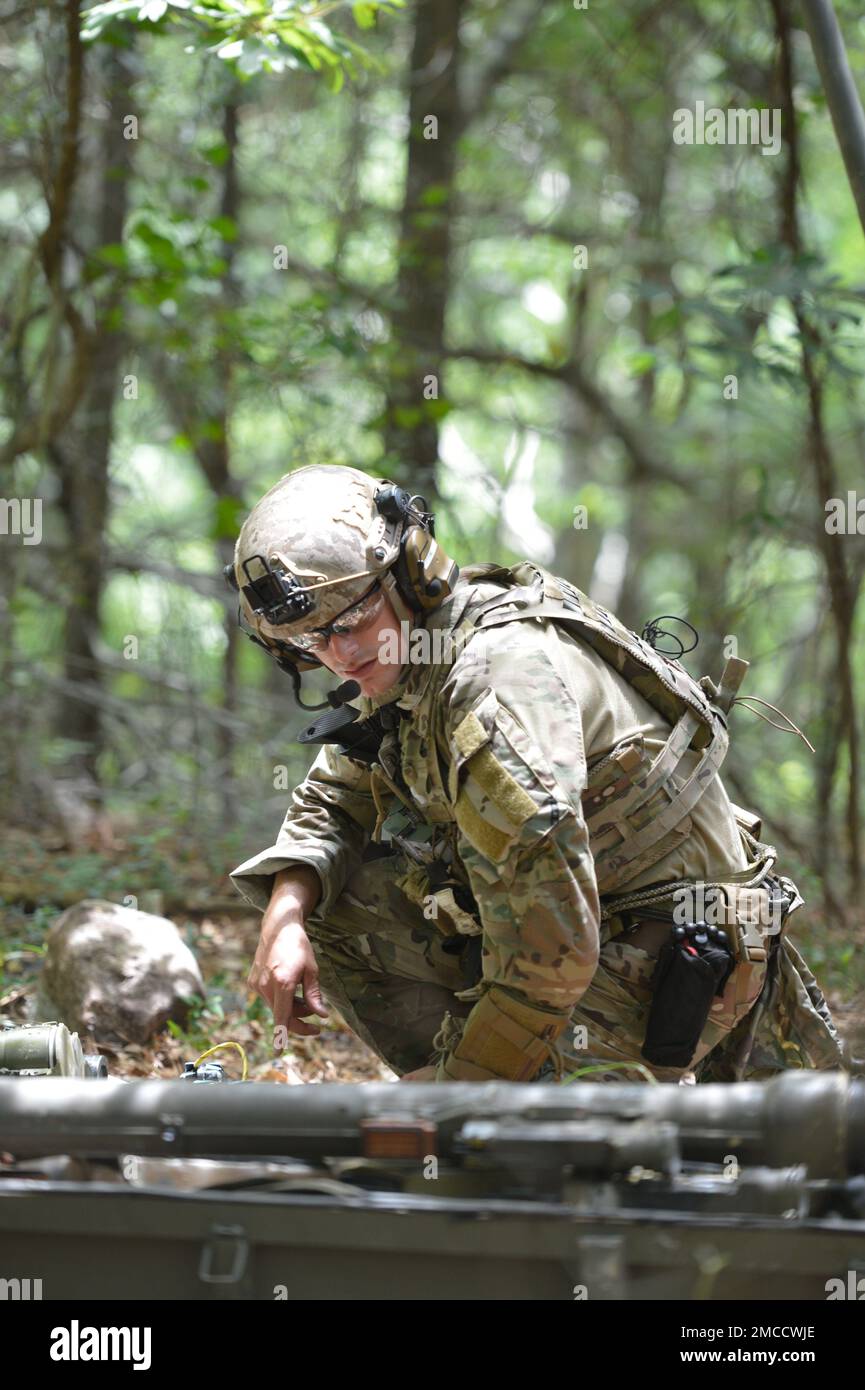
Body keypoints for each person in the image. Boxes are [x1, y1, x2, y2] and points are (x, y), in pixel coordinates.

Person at [229, 464, 845, 1084]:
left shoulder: (496, 683)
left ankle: (499, 1111)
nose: (339, 653)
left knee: (486, 1164)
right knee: (327, 905)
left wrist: (456, 1101)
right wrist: (283, 918)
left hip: (674, 949)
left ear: (412, 571)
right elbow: (332, 800)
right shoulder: (406, 659)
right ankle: (466, 1093)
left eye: (351, 620)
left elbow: (551, 959)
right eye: (312, 640)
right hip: (578, 926)